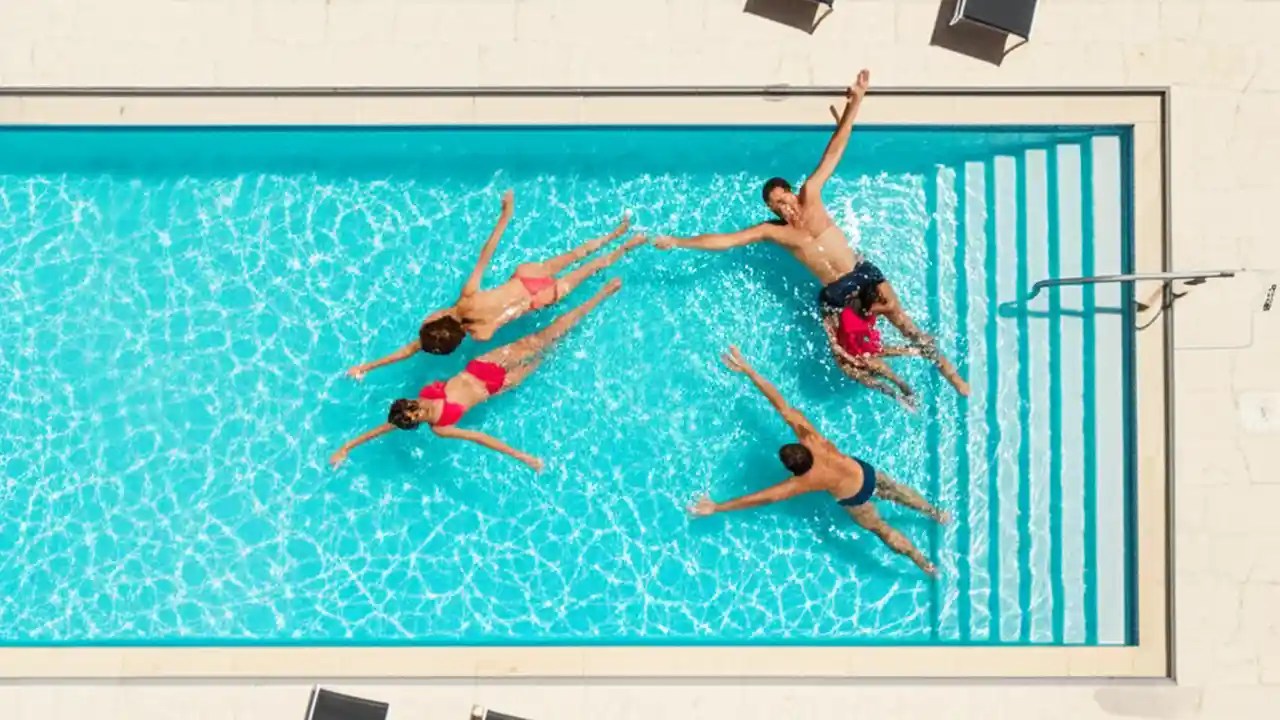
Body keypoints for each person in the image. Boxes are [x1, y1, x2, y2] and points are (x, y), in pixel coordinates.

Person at [652, 69, 969, 397]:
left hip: (859, 274)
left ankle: (950, 374)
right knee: (846, 362)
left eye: (783, 198)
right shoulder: (773, 232)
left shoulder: (812, 194)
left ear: (790, 191)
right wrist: (678, 242)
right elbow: (726, 240)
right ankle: (898, 388)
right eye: (776, 207)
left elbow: (834, 151)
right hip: (835, 293)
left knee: (904, 324)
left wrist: (856, 102)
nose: (783, 207)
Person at [688, 346, 949, 577]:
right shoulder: (812, 438)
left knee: (882, 529)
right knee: (898, 492)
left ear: (791, 469)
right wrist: (749, 370)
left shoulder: (804, 482)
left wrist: (718, 507)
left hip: (855, 498)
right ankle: (936, 514)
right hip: (866, 472)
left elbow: (763, 498)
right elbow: (779, 403)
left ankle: (922, 562)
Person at [347, 189, 644, 380]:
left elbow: (410, 350)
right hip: (526, 277)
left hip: (540, 298)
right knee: (579, 254)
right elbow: (485, 254)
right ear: (440, 318)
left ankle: (625, 248)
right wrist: (505, 216)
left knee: (591, 269)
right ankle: (616, 232)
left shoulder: (481, 334)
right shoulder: (466, 299)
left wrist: (367, 367)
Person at [329, 279, 622, 471]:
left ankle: (599, 295)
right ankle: (573, 330)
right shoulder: (441, 427)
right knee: (547, 354)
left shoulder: (424, 396)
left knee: (544, 337)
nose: (421, 409)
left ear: (409, 402)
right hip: (498, 385)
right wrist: (522, 457)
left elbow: (382, 423)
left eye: (413, 407)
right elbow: (480, 438)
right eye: (417, 415)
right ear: (416, 422)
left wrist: (365, 369)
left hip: (483, 366)